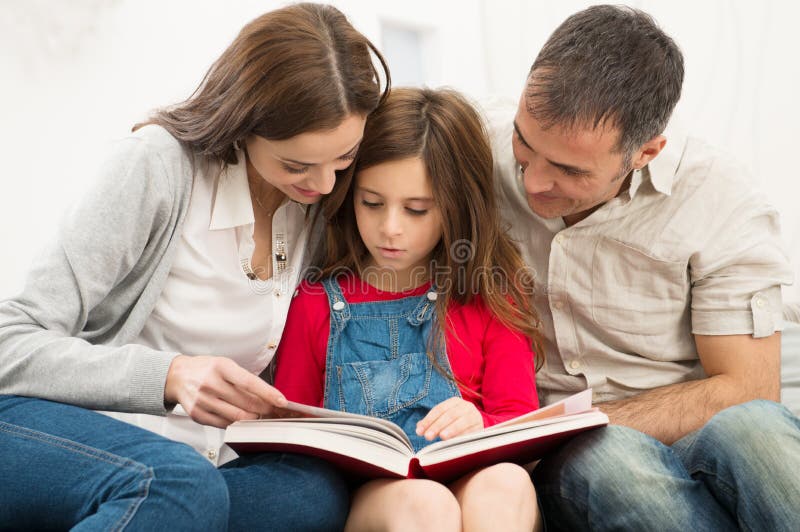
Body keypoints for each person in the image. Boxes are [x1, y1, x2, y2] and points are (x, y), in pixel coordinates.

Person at [0, 3, 389, 530]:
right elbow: (9, 342)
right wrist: (170, 375)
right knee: (178, 484)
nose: (323, 184)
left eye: (343, 158)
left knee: (308, 495)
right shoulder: (157, 166)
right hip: (62, 432)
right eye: (296, 165)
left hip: (202, 459)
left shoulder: (320, 206)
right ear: (245, 123)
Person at [485, 4, 800, 530]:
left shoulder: (719, 197)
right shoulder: (475, 145)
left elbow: (748, 388)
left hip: (687, 435)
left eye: (568, 170)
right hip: (581, 465)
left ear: (646, 152)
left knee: (757, 431)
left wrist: (586, 420)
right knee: (613, 459)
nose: (534, 180)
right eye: (524, 142)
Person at [274, 87, 543, 531]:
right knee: (426, 505)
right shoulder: (315, 302)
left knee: (507, 483)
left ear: (456, 207)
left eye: (417, 210)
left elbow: (521, 423)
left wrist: (480, 422)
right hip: (375, 498)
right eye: (371, 203)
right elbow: (288, 433)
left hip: (471, 474)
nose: (390, 228)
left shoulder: (490, 293)